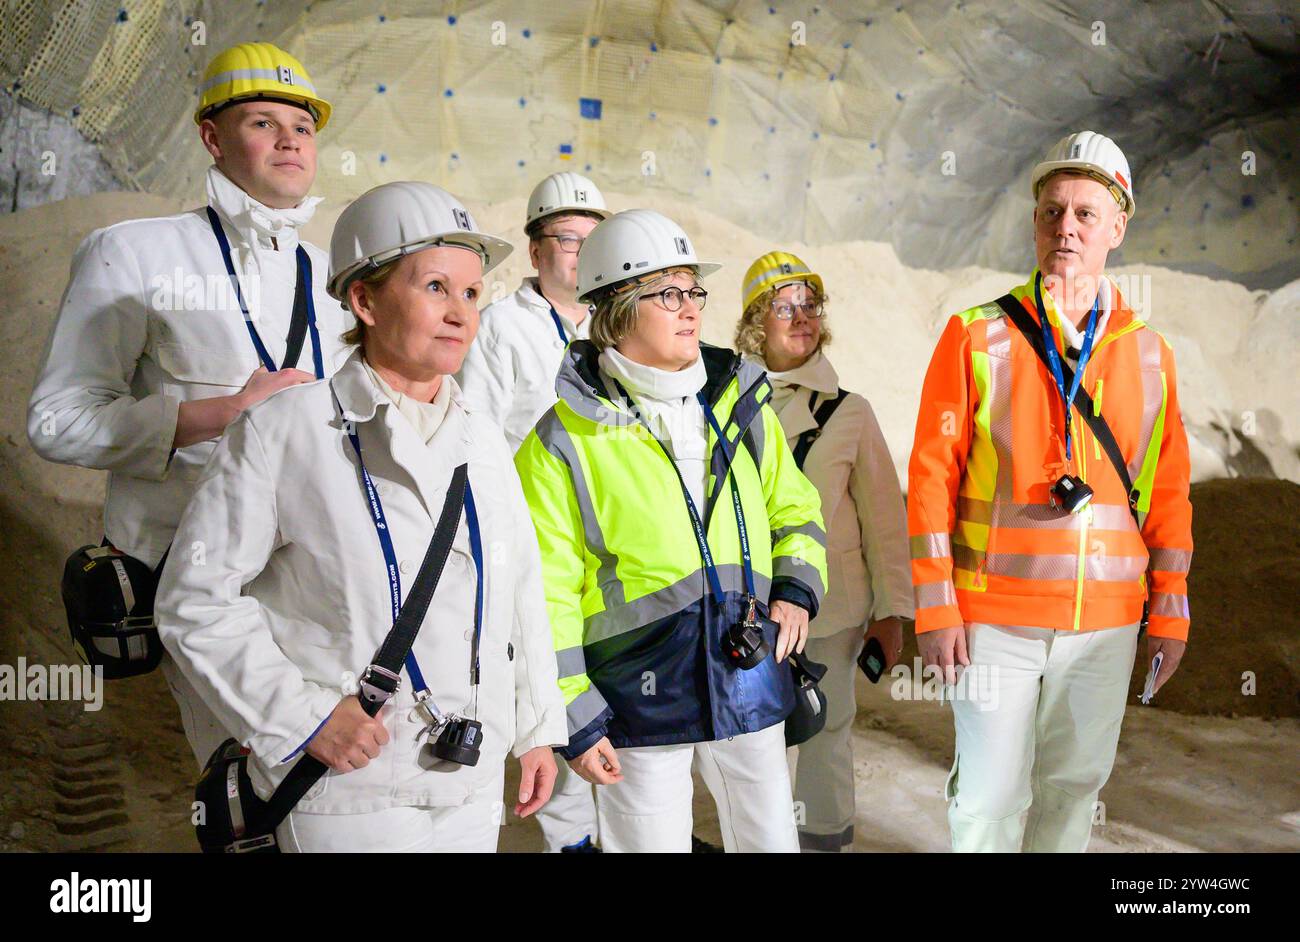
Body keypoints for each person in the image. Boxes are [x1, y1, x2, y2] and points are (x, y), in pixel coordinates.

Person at [153, 181, 568, 852]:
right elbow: (193, 599)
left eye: (471, 293)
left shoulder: (484, 441)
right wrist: (302, 717)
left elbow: (520, 591)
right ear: (364, 299)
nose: (460, 313)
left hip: (470, 778)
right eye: (435, 286)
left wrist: (538, 728)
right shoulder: (288, 429)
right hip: (348, 783)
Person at [27, 42, 353, 767]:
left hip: (317, 576)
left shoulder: (332, 280)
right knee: (249, 786)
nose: (290, 139)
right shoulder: (133, 253)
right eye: (262, 122)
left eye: (302, 126)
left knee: (325, 792)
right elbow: (57, 418)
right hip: (203, 586)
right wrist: (216, 416)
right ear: (212, 137)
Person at [907, 130, 1193, 852]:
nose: (1065, 227)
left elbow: (1169, 495)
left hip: (1105, 625)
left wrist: (1171, 613)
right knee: (992, 796)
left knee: (1074, 788)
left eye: (1085, 214)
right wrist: (935, 605)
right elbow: (931, 480)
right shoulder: (976, 337)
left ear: (1118, 226)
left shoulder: (1150, 353)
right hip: (992, 618)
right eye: (1051, 212)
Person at [514, 209, 828, 852]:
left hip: (747, 671)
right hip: (638, 693)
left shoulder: (739, 402)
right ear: (616, 310)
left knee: (771, 841)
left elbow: (793, 506)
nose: (690, 308)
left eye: (694, 290)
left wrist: (795, 588)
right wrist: (572, 713)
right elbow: (543, 591)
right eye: (668, 293)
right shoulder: (561, 439)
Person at [734, 251, 914, 852]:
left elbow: (885, 521)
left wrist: (893, 613)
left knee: (824, 733)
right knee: (745, 742)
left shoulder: (850, 412)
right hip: (746, 608)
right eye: (785, 307)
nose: (802, 317)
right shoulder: (726, 404)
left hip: (832, 612)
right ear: (757, 321)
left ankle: (823, 844)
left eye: (810, 305)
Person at [456, 171, 611, 852]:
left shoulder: (617, 327)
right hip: (538, 540)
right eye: (567, 240)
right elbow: (476, 438)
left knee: (602, 686)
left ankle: (612, 831)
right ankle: (571, 838)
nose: (580, 254)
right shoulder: (499, 332)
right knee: (552, 685)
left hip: (608, 543)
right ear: (535, 247)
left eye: (593, 241)